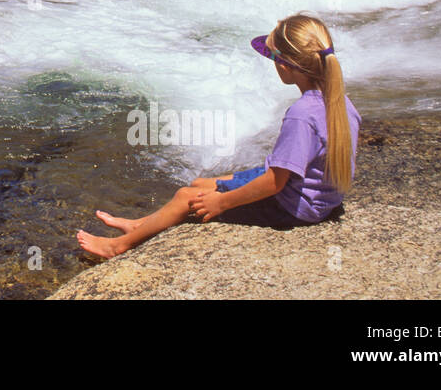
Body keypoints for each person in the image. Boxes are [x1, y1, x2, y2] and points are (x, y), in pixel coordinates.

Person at [76, 13, 360, 259]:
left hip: (294, 206)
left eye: (273, 57)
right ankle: (141, 226)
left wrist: (221, 203)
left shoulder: (301, 114)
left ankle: (118, 246)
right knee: (202, 182)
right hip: (317, 197)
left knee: (189, 197)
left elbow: (275, 182)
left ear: (285, 65)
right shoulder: (340, 102)